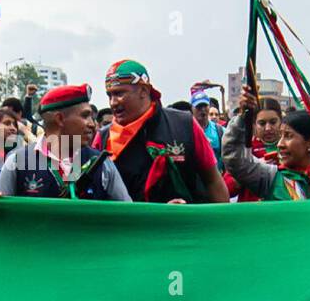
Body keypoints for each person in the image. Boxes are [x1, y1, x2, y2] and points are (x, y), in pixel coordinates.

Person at [97, 59, 229, 203]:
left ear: (143, 91)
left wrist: (222, 223)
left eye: (119, 94)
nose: (113, 102)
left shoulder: (184, 124)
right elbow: (82, 193)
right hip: (128, 225)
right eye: (109, 96)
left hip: (182, 224)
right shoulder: (103, 138)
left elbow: (213, 181)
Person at [0, 84, 130, 200]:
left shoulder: (102, 164)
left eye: (92, 117)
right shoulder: (16, 162)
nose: (92, 124)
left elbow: (128, 216)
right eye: (85, 116)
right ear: (60, 119)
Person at [222, 89, 310, 200]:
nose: (280, 144)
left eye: (288, 136)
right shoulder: (270, 178)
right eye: (281, 136)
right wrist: (243, 116)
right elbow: (234, 158)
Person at [191, 91, 225, 170]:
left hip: (216, 179)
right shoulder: (186, 131)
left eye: (205, 106)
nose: (202, 109)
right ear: (192, 108)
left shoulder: (220, 131)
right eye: (199, 106)